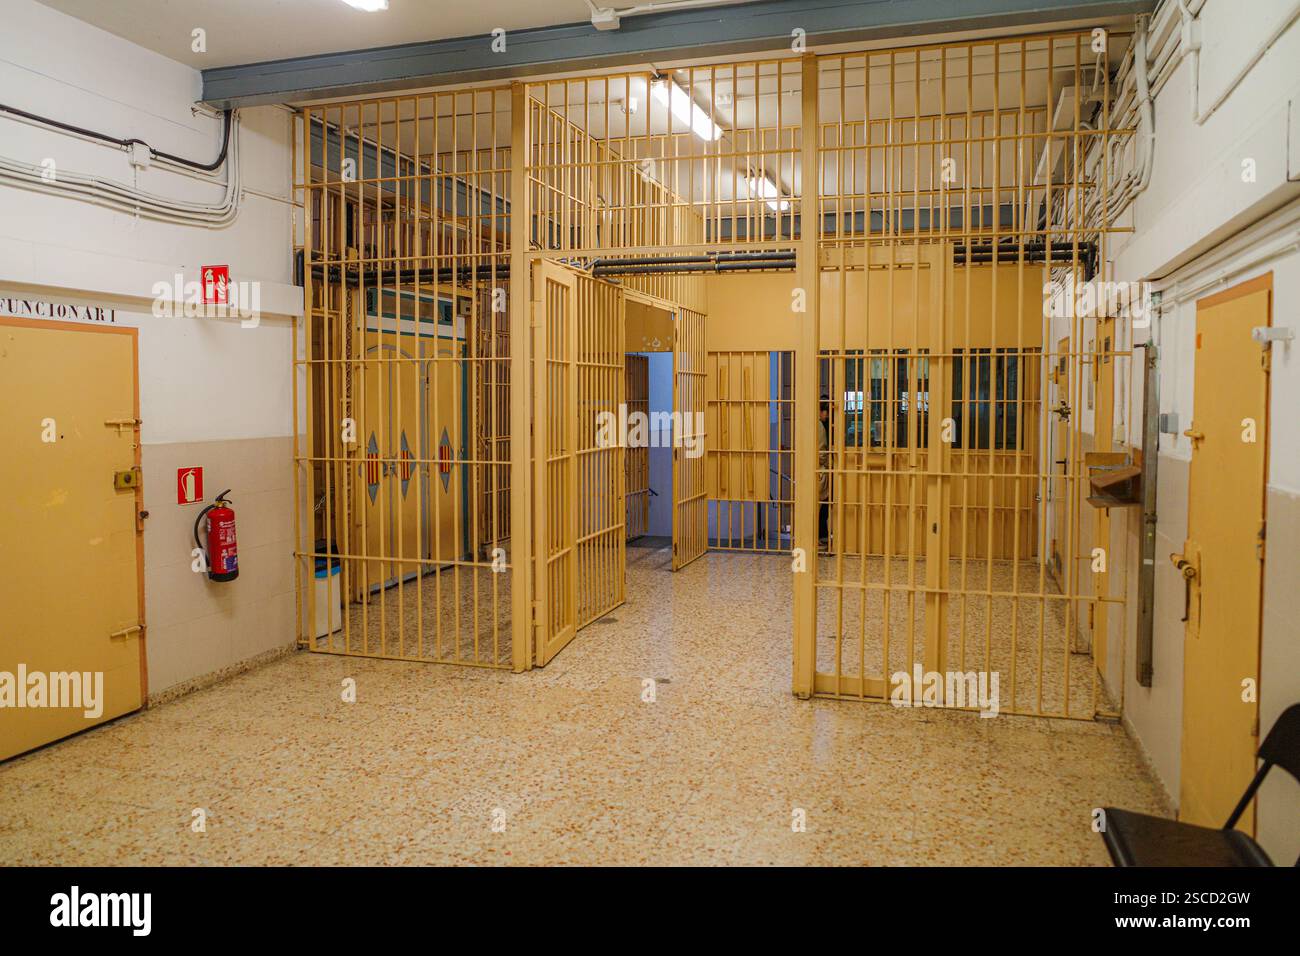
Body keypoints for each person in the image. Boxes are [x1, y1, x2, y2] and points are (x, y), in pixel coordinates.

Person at [818, 399, 831, 546]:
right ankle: (821, 536)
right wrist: (828, 465)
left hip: (812, 471)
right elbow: (822, 452)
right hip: (820, 471)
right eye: (827, 412)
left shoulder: (808, 423)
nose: (828, 416)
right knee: (822, 505)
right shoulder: (820, 426)